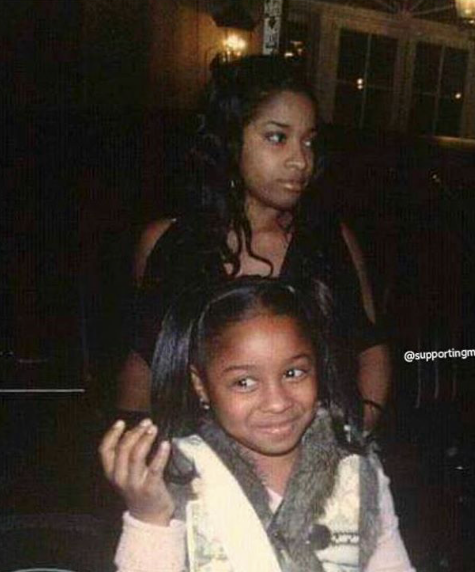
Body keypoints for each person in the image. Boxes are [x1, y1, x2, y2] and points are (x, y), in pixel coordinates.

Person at [116, 55, 390, 432]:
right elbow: (146, 363)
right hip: (199, 450)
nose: (301, 160)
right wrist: (138, 447)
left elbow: (370, 350)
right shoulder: (168, 243)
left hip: (312, 444)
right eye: (277, 137)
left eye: (309, 141)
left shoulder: (329, 239)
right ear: (229, 141)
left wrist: (350, 434)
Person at [100, 277, 420, 572]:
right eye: (244, 382)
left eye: (293, 373)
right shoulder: (176, 479)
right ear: (201, 384)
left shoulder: (356, 471)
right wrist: (149, 519)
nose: (277, 402)